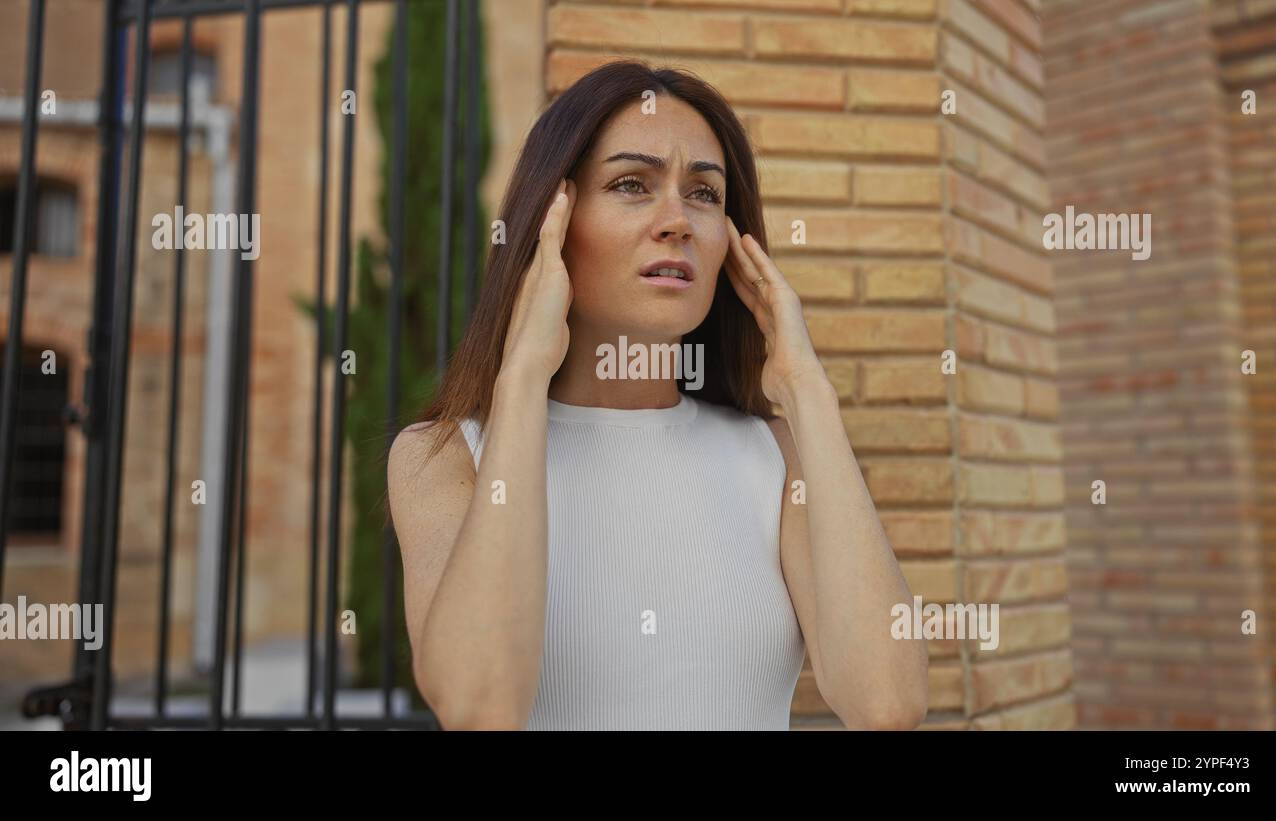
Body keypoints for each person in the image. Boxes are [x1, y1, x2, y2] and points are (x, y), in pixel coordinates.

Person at [386, 60, 927, 730]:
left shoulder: (776, 456)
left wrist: (807, 390)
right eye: (632, 184)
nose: (677, 219)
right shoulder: (443, 458)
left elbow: (888, 702)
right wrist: (523, 375)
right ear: (552, 220)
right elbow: (480, 705)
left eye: (704, 193)